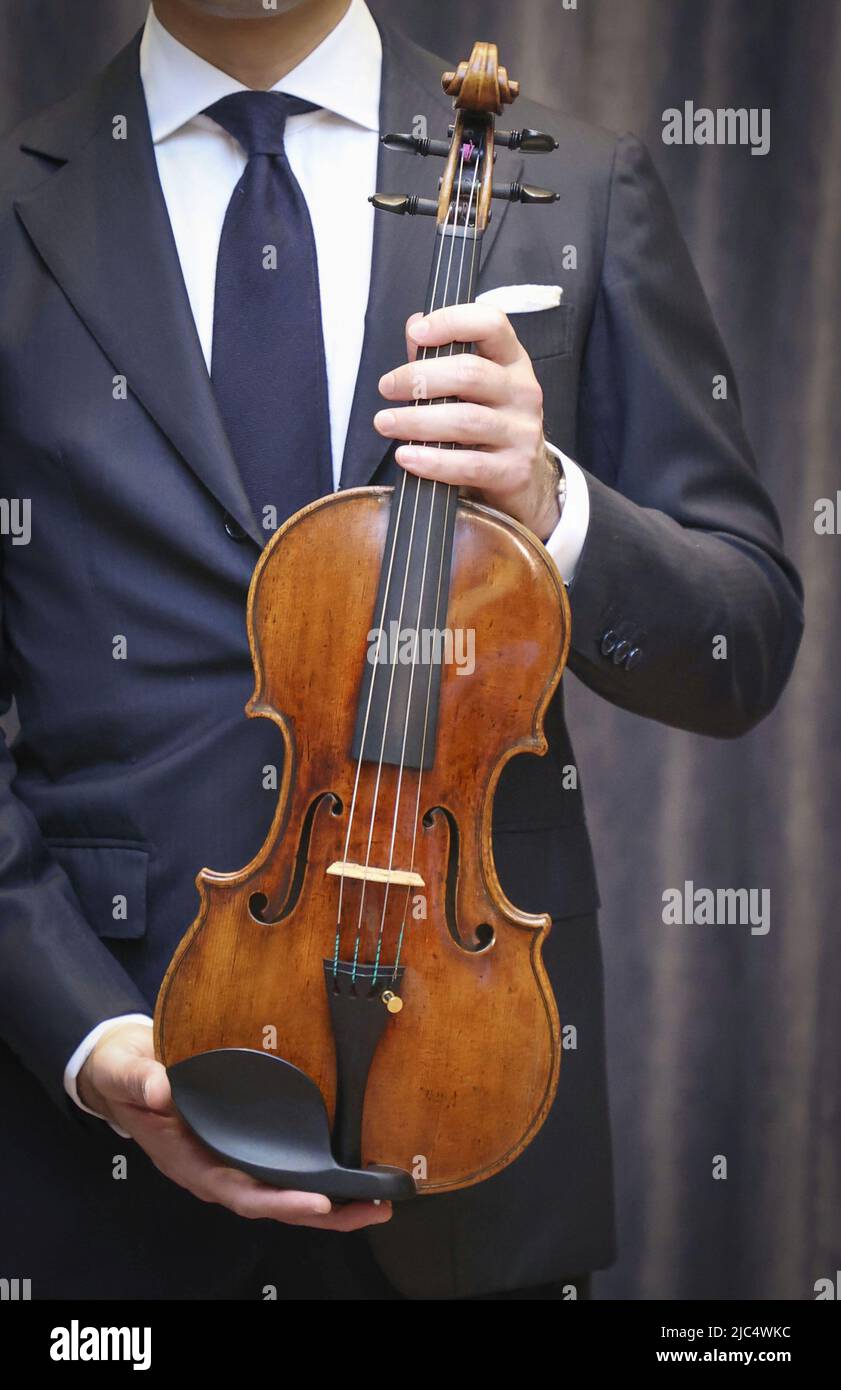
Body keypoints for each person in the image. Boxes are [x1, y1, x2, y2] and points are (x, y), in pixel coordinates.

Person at [0, 0, 802, 1300]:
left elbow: (741, 639)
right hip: (90, 1153)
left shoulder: (579, 183)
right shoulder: (17, 204)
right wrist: (88, 1039)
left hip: (472, 1103)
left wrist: (553, 503)